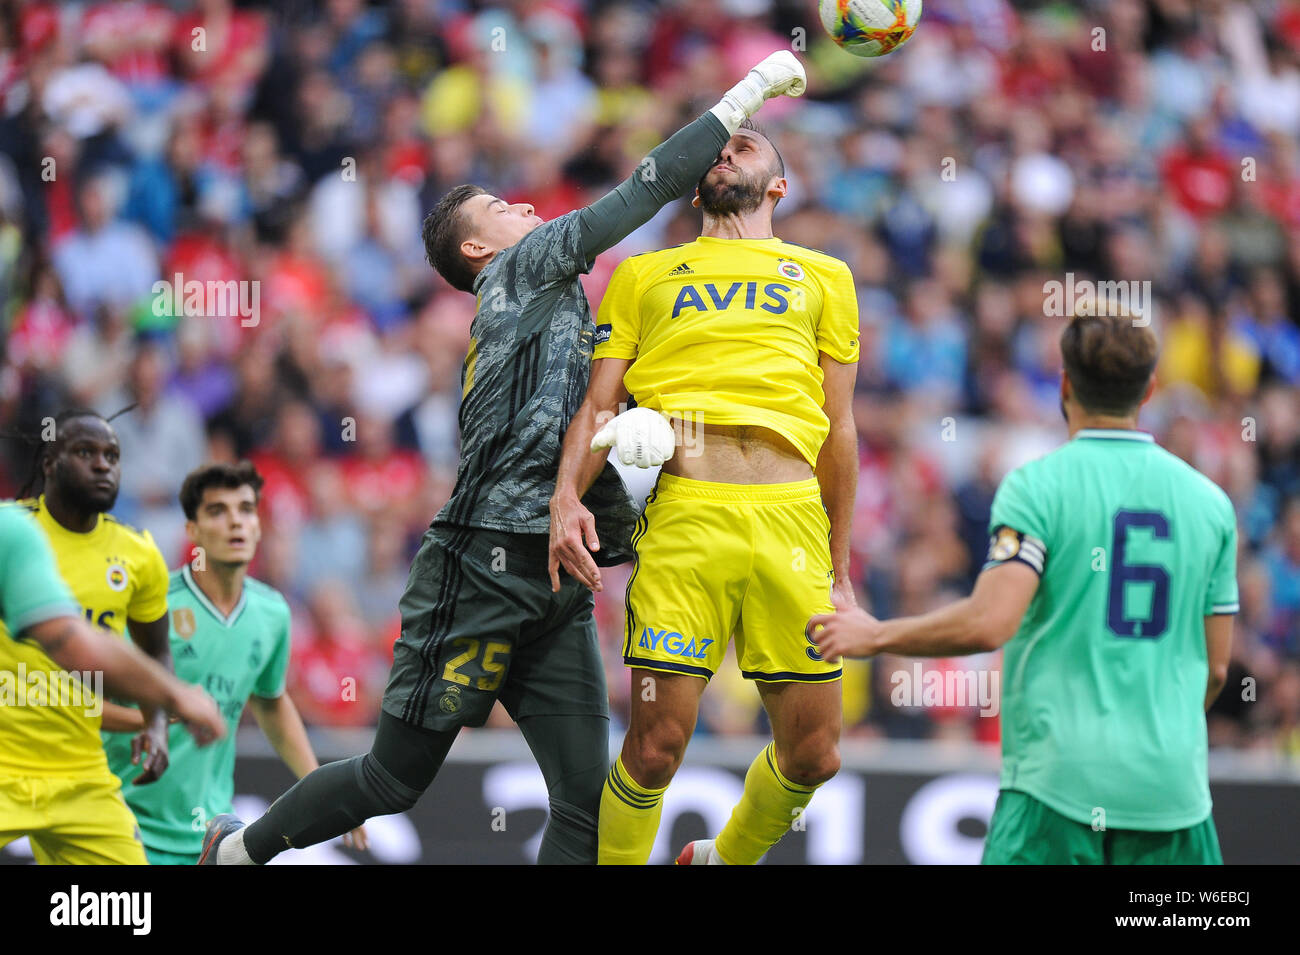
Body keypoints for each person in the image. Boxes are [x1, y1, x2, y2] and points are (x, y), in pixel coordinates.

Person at [198, 50, 809, 866]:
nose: (524, 206)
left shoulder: (554, 304)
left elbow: (580, 417)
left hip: (556, 575)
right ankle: (237, 853)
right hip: (481, 563)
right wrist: (749, 93)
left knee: (586, 810)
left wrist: (631, 445)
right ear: (482, 253)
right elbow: (647, 186)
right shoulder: (521, 273)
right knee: (392, 780)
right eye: (501, 209)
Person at [811, 313, 1237, 865]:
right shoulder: (1210, 504)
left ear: (1065, 384)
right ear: (1149, 390)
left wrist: (877, 634)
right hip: (1172, 793)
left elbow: (992, 621)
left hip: (1058, 789)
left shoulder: (1039, 486)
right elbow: (1218, 669)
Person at [550, 120, 860, 865]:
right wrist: (567, 496)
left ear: (779, 184)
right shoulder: (643, 275)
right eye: (716, 150)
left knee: (815, 754)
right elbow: (597, 407)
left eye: (745, 146)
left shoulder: (824, 275)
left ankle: (720, 860)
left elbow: (839, 426)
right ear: (693, 185)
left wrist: (840, 567)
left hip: (791, 523)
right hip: (688, 517)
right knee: (655, 747)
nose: (726, 152)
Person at [105, 462, 367, 864]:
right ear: (192, 531)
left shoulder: (273, 613)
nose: (235, 522)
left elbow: (271, 701)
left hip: (208, 840)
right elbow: (92, 695)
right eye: (217, 511)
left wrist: (321, 794)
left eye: (246, 509)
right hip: (125, 828)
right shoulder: (152, 605)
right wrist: (157, 712)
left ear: (259, 526)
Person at [0, 502, 224, 865]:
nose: (103, 466)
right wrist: (175, 697)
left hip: (82, 774)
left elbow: (69, 694)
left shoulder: (136, 564)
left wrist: (150, 719)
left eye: (112, 456)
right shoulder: (16, 531)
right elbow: (73, 648)